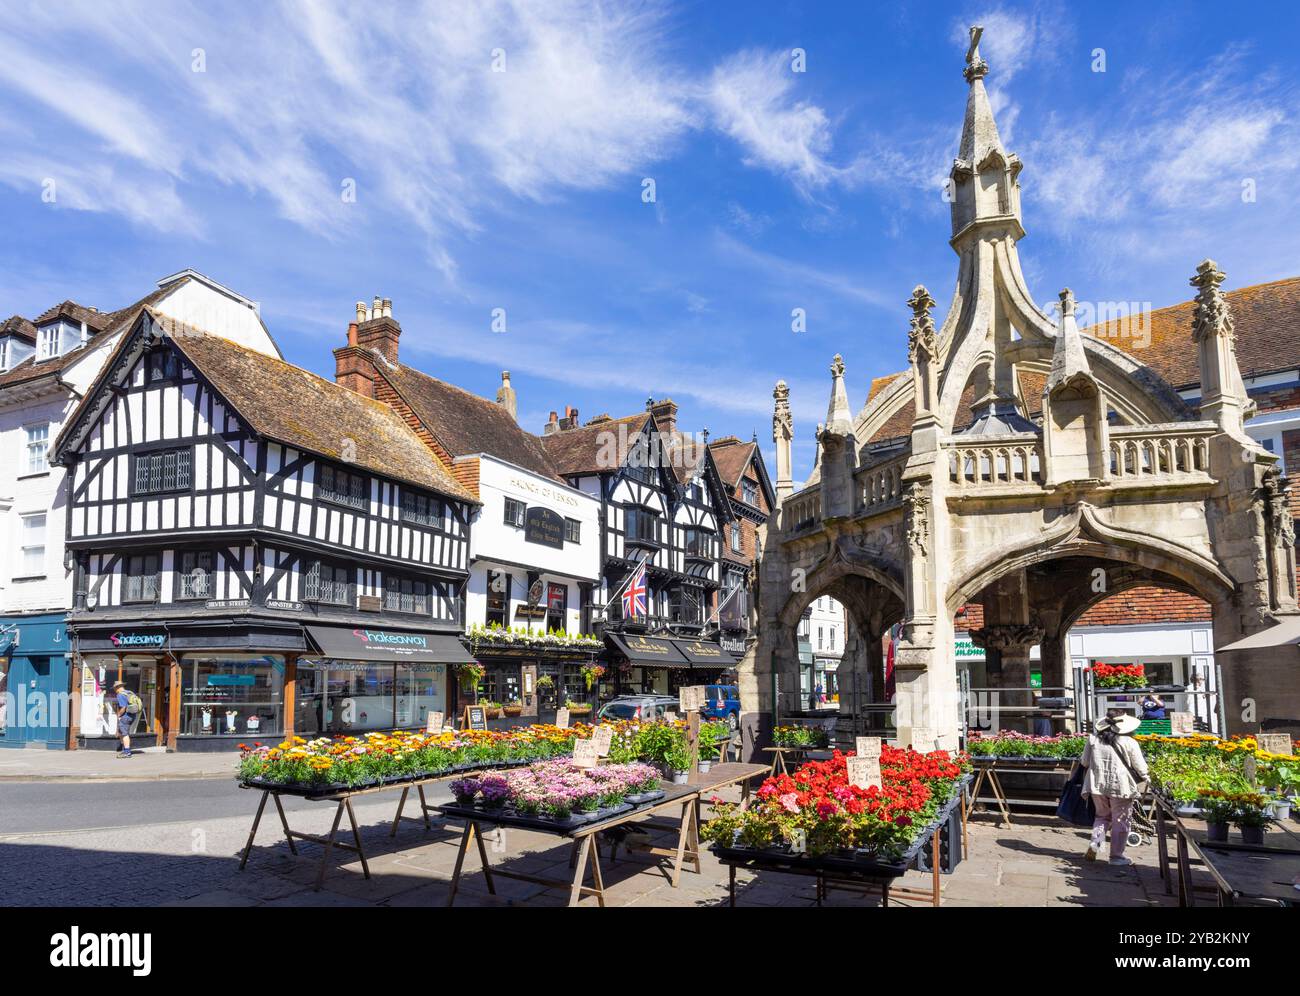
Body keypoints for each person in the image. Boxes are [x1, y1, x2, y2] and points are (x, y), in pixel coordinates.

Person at [1080, 711, 1149, 866]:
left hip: (1097, 784)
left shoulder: (1093, 740)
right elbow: (1141, 767)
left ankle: (1095, 845)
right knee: (1121, 820)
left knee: (1102, 817)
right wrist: (1149, 779)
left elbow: (1084, 762)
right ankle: (1116, 856)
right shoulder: (1129, 742)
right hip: (1121, 785)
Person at [112, 681, 139, 758]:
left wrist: (119, 715)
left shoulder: (120, 695)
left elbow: (123, 707)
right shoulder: (130, 693)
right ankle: (125, 749)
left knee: (124, 734)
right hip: (132, 715)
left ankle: (127, 752)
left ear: (118, 687)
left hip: (126, 716)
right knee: (121, 732)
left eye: (115, 688)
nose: (114, 690)